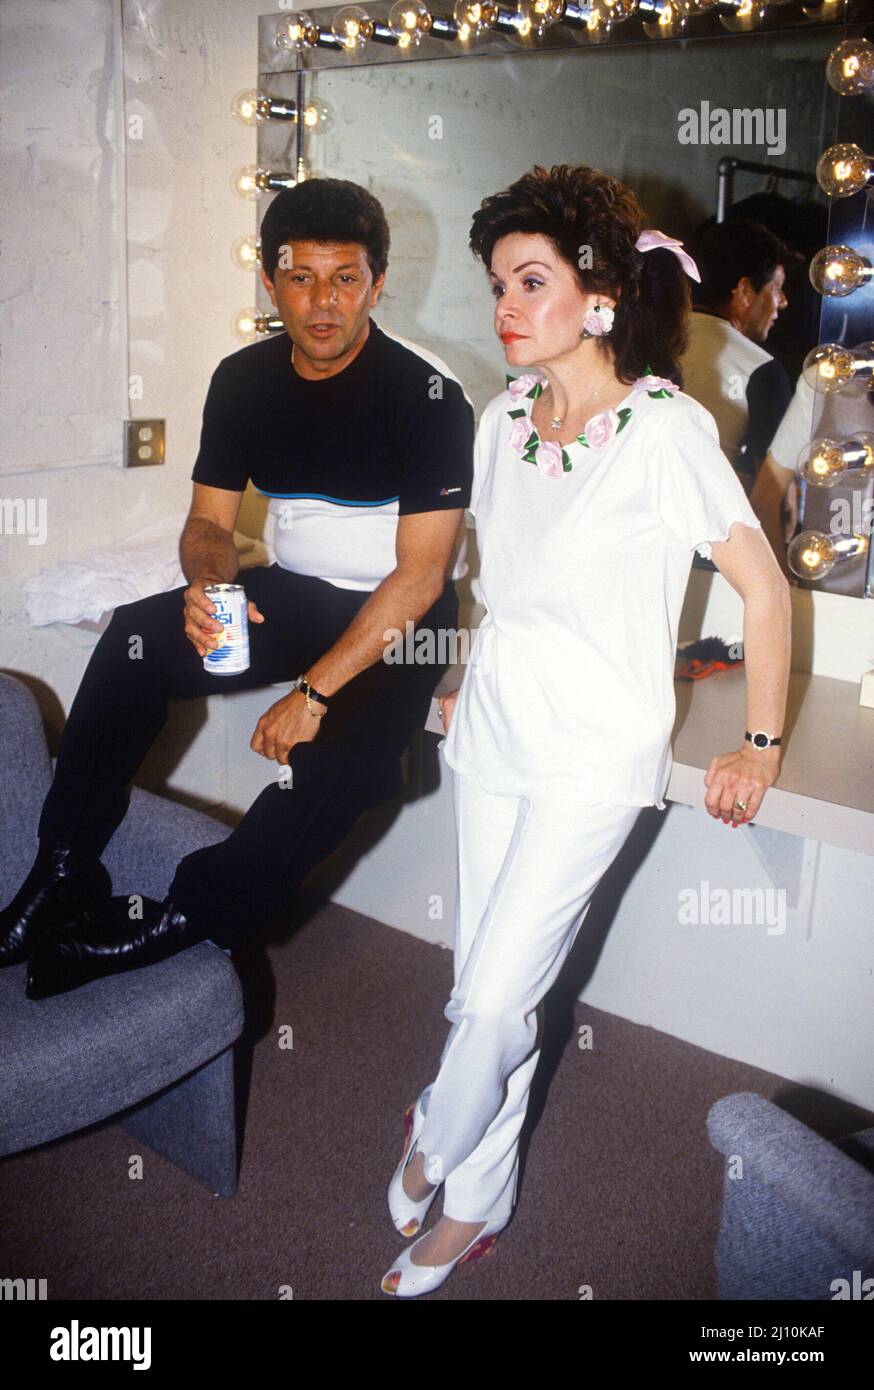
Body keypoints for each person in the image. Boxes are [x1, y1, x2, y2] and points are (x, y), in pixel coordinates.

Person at [380, 164, 792, 1298]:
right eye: (496, 284)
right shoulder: (502, 417)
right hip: (498, 729)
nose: (504, 307)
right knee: (481, 984)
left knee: (500, 997)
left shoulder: (663, 427)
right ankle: (477, 1199)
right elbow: (492, 581)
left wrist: (755, 744)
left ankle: (436, 1131)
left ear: (599, 293)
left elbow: (764, 591)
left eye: (529, 280)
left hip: (594, 754)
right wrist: (465, 671)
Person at [1, 178, 474, 996]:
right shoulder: (244, 379)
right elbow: (209, 527)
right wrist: (209, 586)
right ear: (270, 281)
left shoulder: (428, 396)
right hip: (296, 590)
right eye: (301, 278)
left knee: (340, 768)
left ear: (378, 283)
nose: (324, 303)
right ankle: (66, 867)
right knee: (136, 643)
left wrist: (314, 694)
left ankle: (184, 917)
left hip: (402, 617)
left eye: (347, 278)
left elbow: (422, 574)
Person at [680, 219, 793, 493]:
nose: (783, 301)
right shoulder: (762, 371)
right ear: (744, 291)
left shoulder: (643, 342)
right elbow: (776, 497)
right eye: (776, 288)